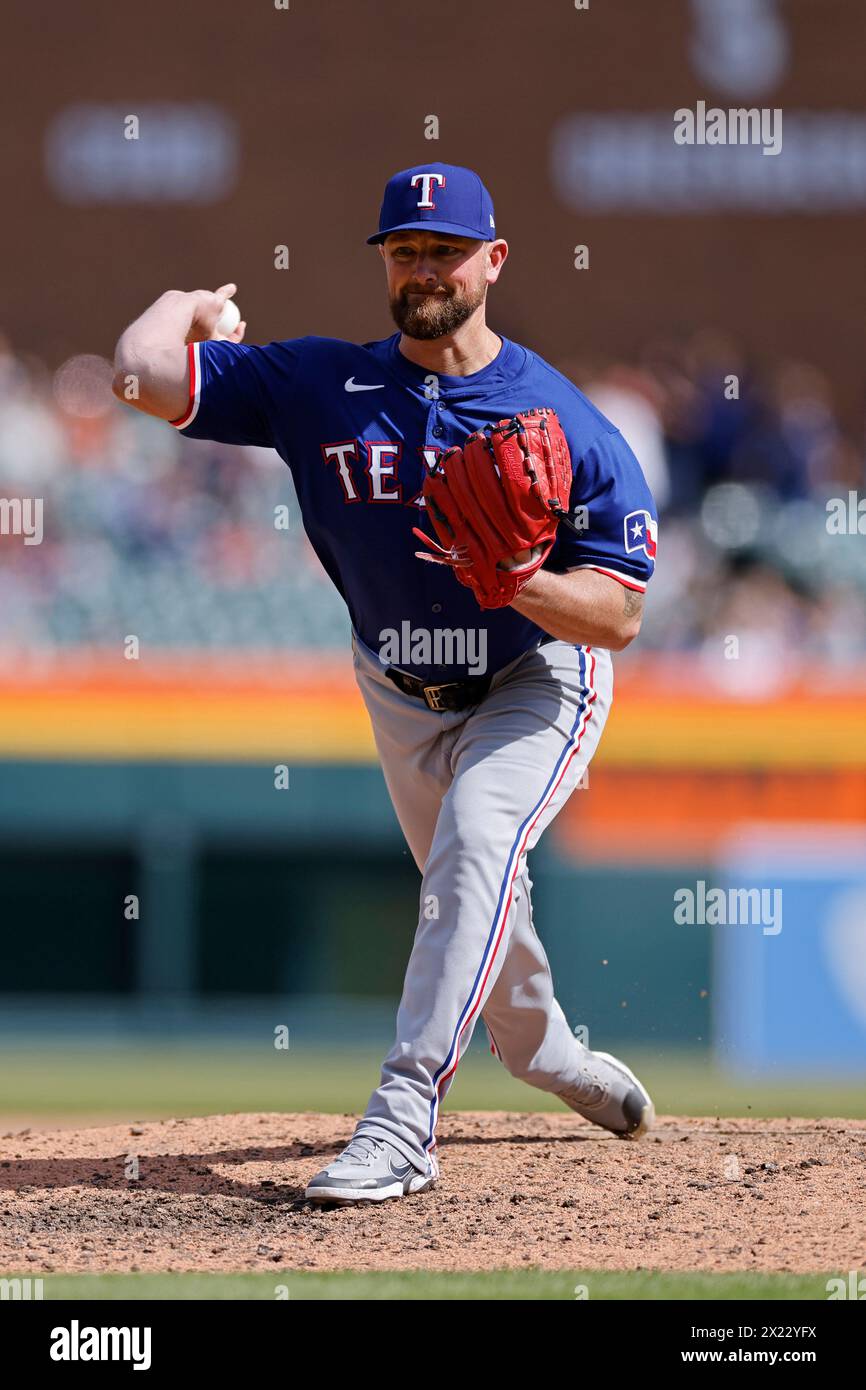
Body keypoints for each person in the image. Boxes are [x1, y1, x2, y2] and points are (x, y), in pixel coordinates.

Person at [112, 163, 659, 1205]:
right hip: (398, 685)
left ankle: (403, 1121)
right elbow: (139, 376)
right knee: (474, 888)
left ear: (492, 262)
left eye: (445, 250)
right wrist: (190, 309)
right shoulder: (319, 383)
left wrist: (520, 581)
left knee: (473, 850)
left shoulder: (561, 415)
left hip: (532, 675)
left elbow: (620, 616)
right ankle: (544, 1052)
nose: (423, 269)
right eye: (404, 251)